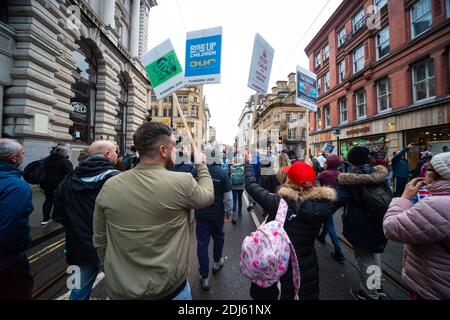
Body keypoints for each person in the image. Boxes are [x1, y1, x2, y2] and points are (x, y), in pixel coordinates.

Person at [93, 122, 214, 300]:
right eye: (173, 146)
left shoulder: (110, 186)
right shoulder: (182, 182)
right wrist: (202, 165)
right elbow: (207, 196)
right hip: (171, 292)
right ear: (163, 150)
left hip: (120, 292)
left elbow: (100, 239)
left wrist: (110, 270)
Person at [244, 154, 336, 300]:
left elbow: (251, 185)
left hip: (279, 268)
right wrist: (307, 171)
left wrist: (247, 162)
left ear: (289, 181)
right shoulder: (323, 206)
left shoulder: (279, 203)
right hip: (306, 268)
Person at [53, 140, 120, 300]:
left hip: (77, 249)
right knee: (120, 291)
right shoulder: (118, 180)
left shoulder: (67, 181)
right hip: (111, 250)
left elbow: (58, 215)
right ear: (107, 154)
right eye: (115, 151)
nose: (117, 155)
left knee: (76, 292)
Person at [383, 152, 450, 300]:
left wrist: (404, 197)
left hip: (433, 285)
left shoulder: (439, 204)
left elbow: (391, 227)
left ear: (439, 174)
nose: (424, 171)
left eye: (428, 169)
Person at [334, 147, 389, 300]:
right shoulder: (380, 175)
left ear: (351, 161)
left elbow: (337, 200)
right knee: (374, 255)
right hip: (380, 221)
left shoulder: (347, 179)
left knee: (364, 257)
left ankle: (369, 293)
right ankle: (377, 288)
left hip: (360, 224)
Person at [192, 147, 232, 290]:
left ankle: (204, 276)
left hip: (201, 214)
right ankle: (217, 261)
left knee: (202, 244)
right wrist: (229, 211)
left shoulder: (196, 172)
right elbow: (228, 196)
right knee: (219, 236)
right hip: (217, 214)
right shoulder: (222, 173)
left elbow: (190, 191)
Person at [0, 138, 33, 299]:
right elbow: (11, 227)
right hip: (8, 260)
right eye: (22, 154)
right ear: (14, 158)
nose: (23, 156)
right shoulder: (16, 186)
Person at [317, 155, 345, 262]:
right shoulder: (340, 174)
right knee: (327, 220)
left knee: (329, 224)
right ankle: (322, 236)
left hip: (327, 202)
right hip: (337, 202)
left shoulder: (324, 174)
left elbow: (315, 184)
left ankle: (338, 251)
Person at [40, 145, 73, 225]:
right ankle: (56, 217)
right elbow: (70, 174)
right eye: (66, 152)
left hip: (46, 183)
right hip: (59, 185)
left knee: (48, 200)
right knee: (58, 201)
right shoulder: (65, 161)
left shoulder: (47, 159)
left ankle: (45, 219)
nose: (67, 154)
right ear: (63, 153)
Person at [229, 157, 245, 224]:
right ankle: (240, 212)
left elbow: (230, 176)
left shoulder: (231, 167)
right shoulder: (243, 167)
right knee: (240, 198)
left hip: (234, 186)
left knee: (234, 199)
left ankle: (234, 215)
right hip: (241, 186)